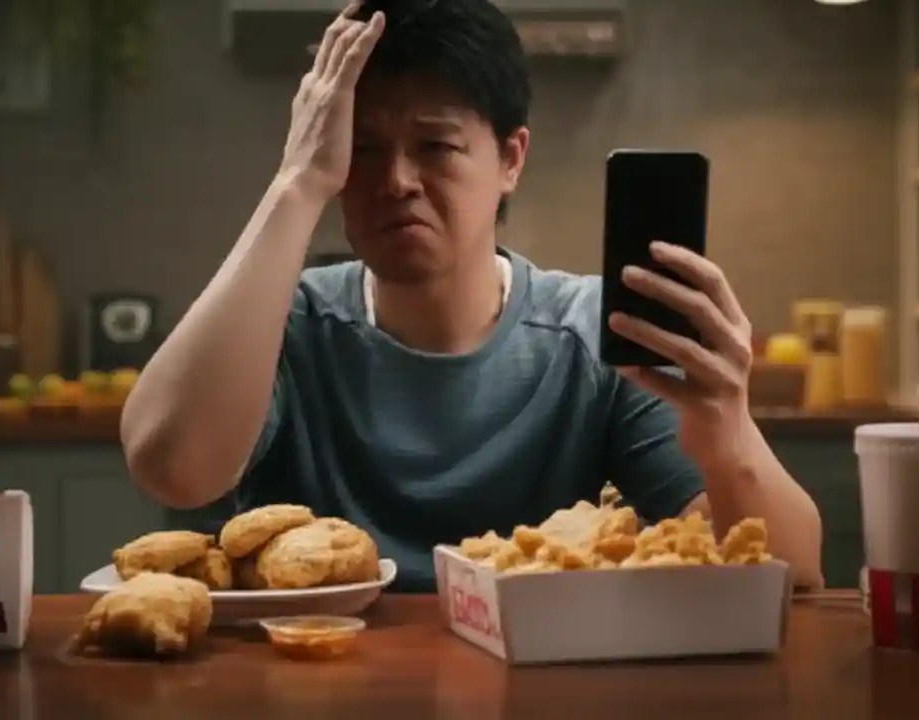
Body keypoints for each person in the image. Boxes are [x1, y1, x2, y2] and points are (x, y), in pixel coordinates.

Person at [121, 0, 824, 592]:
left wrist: (726, 432)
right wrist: (296, 181)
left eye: (436, 147)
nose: (395, 180)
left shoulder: (595, 334)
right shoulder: (286, 324)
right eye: (362, 150)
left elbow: (793, 575)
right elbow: (171, 467)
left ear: (510, 159)